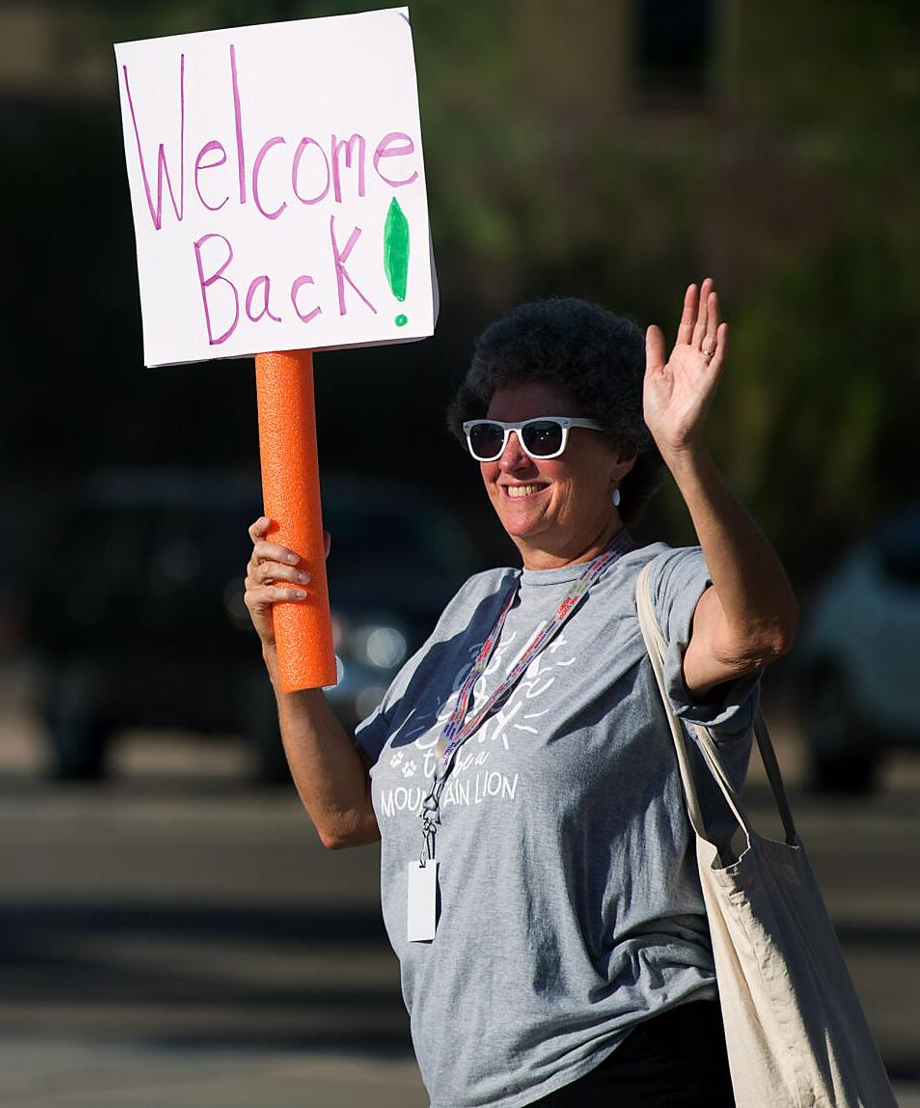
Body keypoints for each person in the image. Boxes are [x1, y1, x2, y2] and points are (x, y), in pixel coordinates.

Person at [243, 281, 798, 1107]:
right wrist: (279, 649)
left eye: (542, 435)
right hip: (474, 1084)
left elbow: (758, 629)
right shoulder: (475, 605)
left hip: (623, 1061)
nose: (510, 459)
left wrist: (687, 453)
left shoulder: (656, 586)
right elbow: (346, 816)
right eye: (488, 436)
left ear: (620, 450)